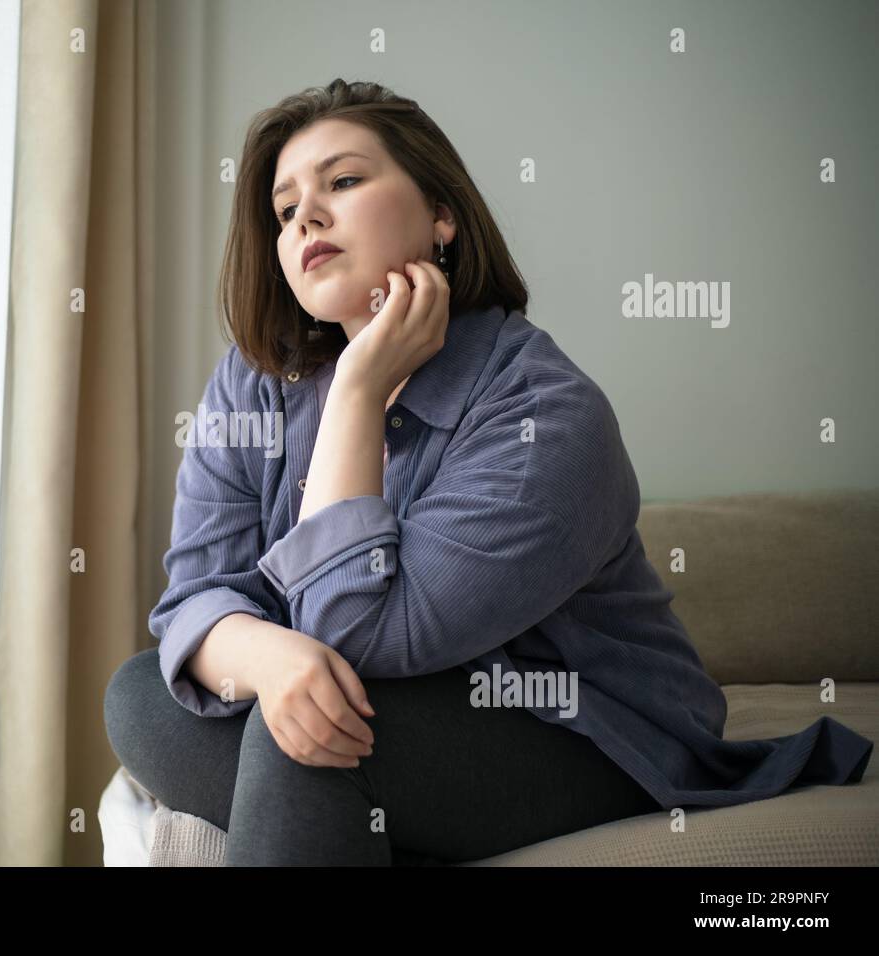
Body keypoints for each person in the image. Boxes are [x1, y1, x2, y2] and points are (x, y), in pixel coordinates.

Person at [105, 78, 873, 866]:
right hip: (386, 703)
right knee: (141, 697)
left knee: (299, 738)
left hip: (571, 727)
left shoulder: (549, 413)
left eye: (343, 181)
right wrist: (270, 660)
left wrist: (360, 392)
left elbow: (359, 634)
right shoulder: (253, 383)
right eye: (284, 207)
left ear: (442, 215)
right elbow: (194, 603)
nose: (307, 216)